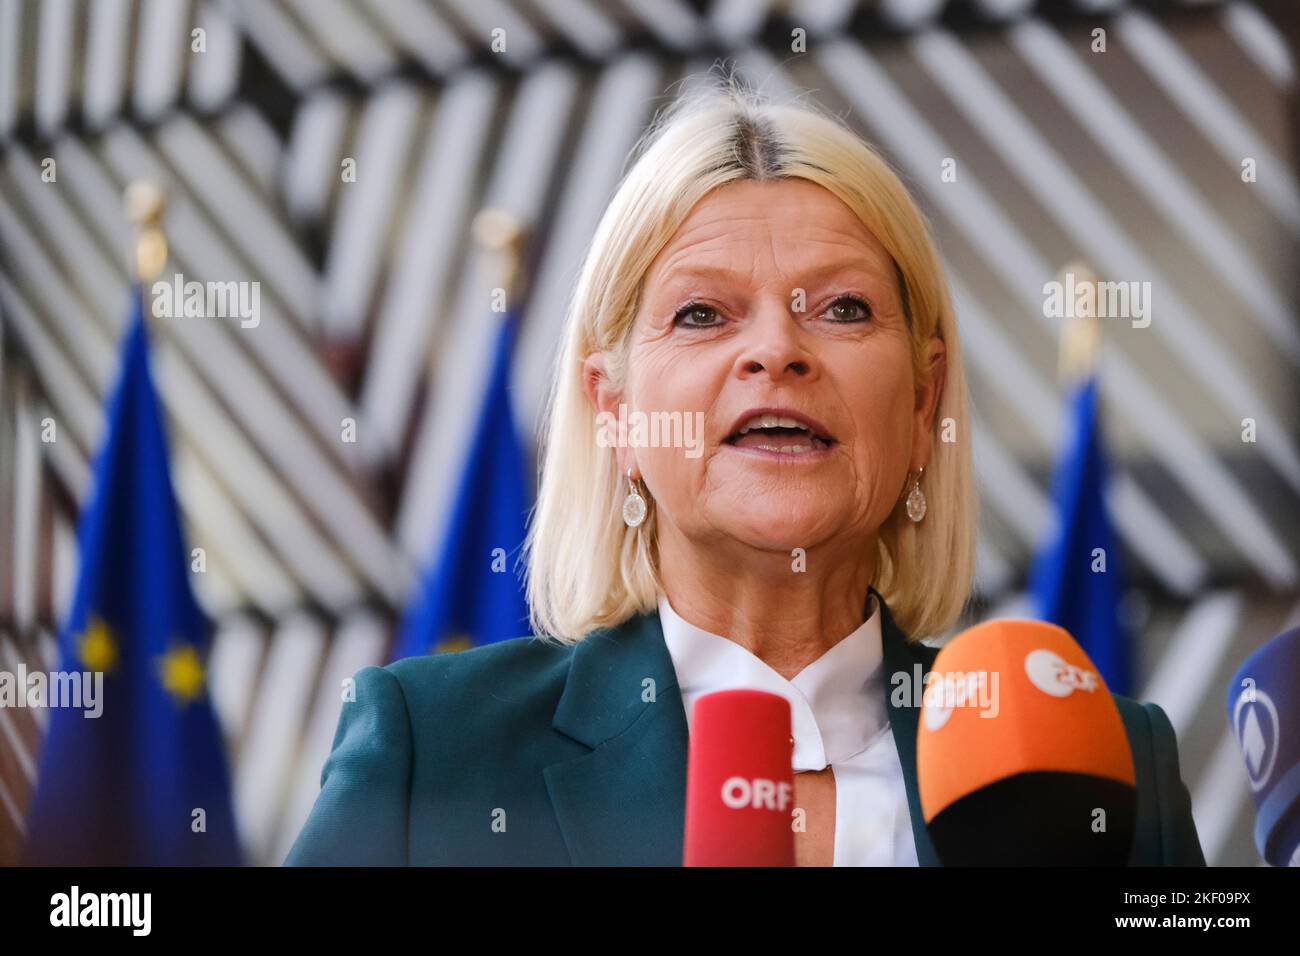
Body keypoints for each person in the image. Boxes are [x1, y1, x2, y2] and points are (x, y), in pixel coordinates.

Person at [284, 82, 1205, 867]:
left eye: (844, 308)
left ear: (923, 408)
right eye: (701, 314)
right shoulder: (435, 749)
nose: (777, 349)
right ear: (616, 412)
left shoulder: (1110, 769)